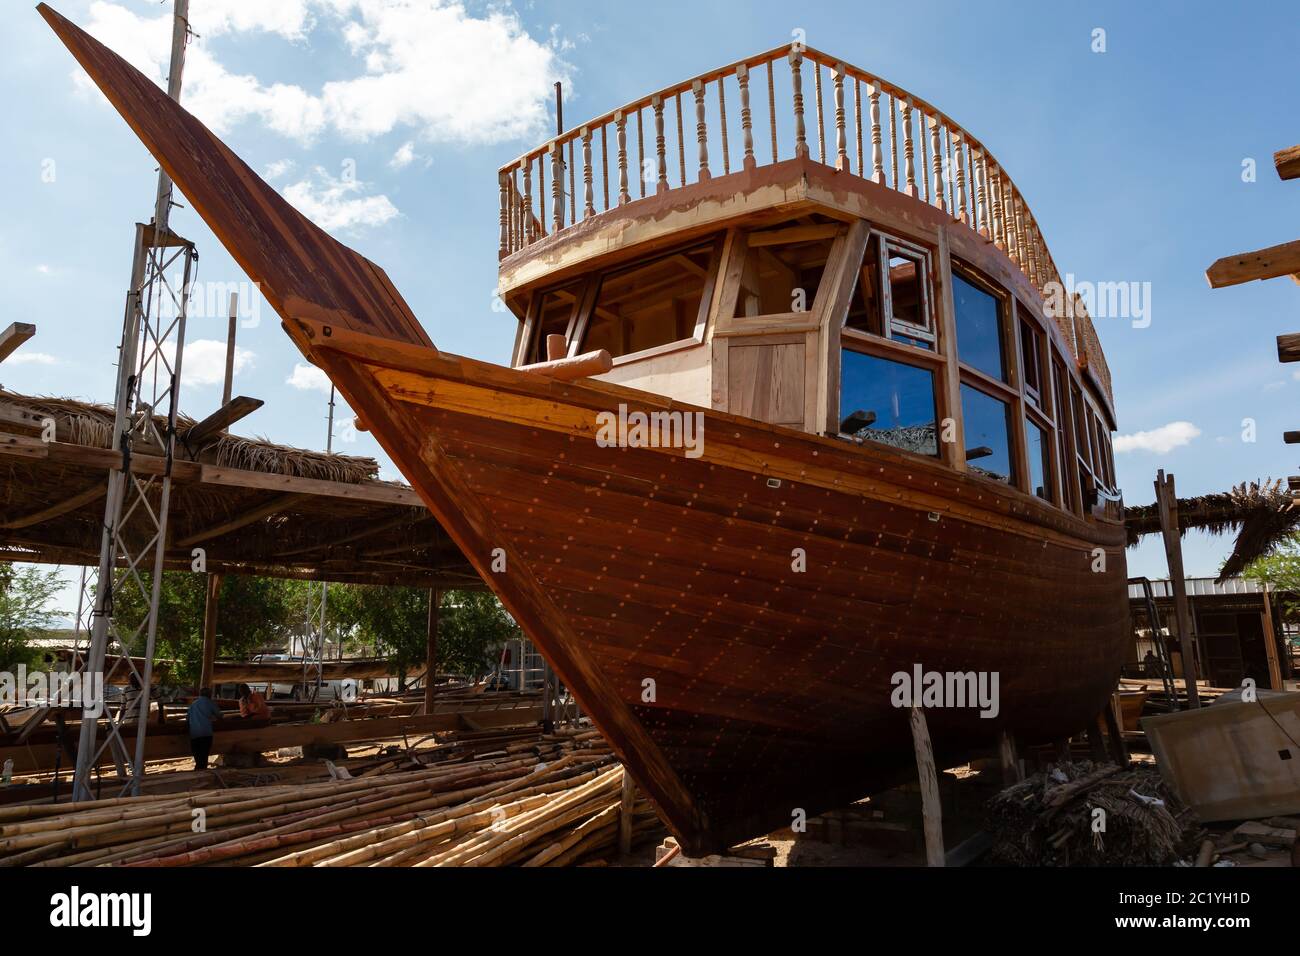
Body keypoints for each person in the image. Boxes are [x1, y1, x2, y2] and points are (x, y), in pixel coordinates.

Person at [187, 687, 222, 771]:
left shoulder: (193, 704)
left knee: (197, 755)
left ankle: (198, 770)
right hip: (206, 733)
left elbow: (187, 718)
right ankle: (201, 771)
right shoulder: (210, 703)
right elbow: (219, 715)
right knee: (204, 754)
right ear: (209, 695)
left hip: (194, 733)